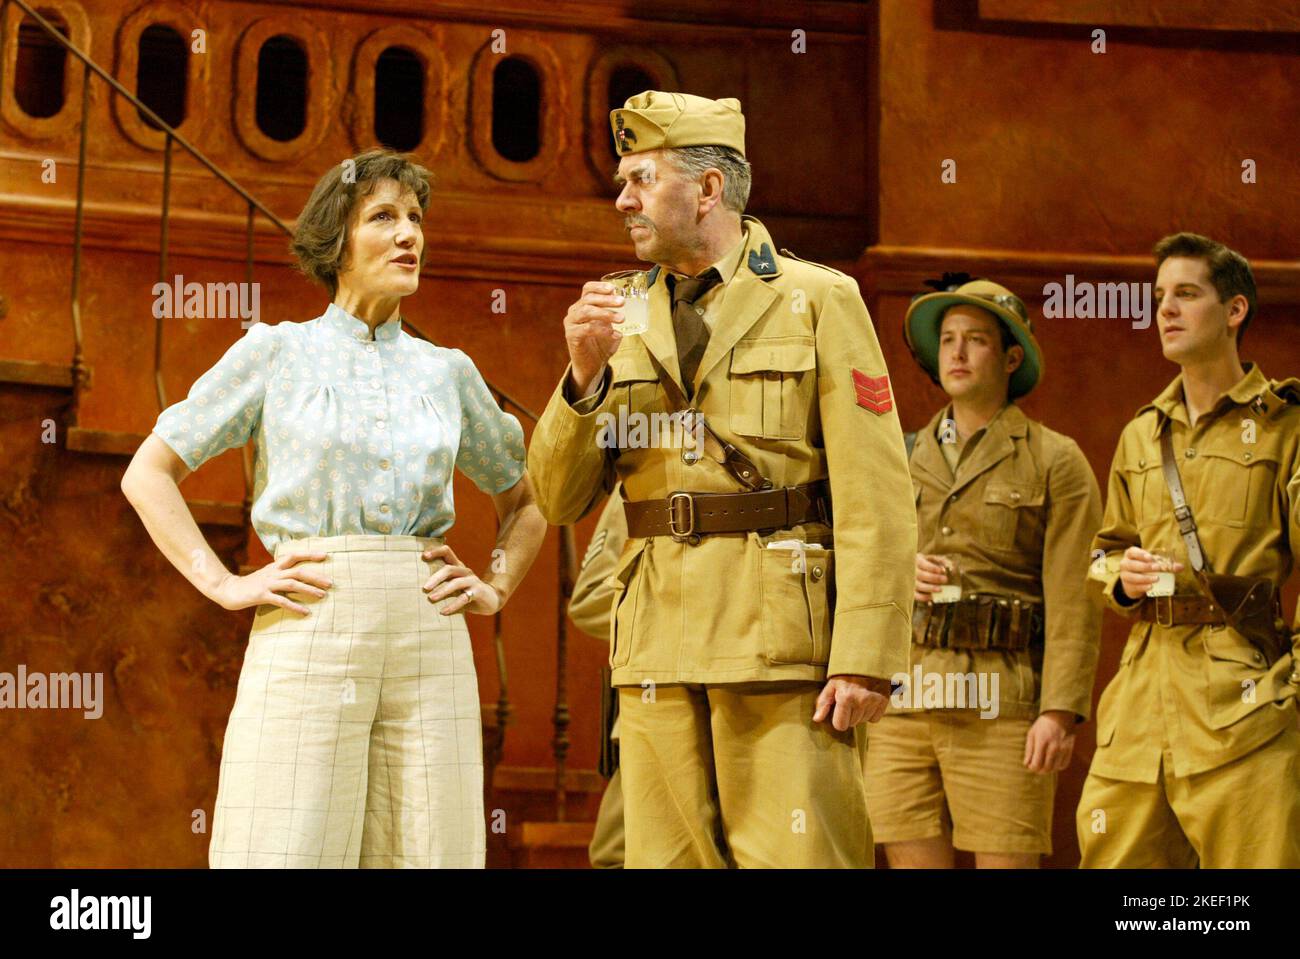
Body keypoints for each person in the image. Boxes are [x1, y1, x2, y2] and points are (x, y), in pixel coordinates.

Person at [120, 148, 547, 868]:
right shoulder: (277, 354)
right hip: (311, 619)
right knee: (288, 843)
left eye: (416, 218)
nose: (410, 233)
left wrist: (495, 583)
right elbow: (148, 472)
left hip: (428, 628)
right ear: (336, 243)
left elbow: (527, 501)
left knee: (429, 846)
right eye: (384, 217)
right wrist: (225, 583)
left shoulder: (448, 371)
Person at [527, 91, 916, 868]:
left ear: (707, 189)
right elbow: (559, 496)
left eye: (640, 178)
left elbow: (877, 493)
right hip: (655, 649)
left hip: (777, 645)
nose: (622, 199)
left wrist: (867, 652)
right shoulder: (619, 314)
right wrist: (582, 377)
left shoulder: (816, 299)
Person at [1077, 232, 1300, 868]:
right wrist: (1124, 576)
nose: (1165, 311)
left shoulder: (1287, 427)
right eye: (1158, 297)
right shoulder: (1142, 434)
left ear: (1235, 310)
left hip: (1247, 705)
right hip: (1139, 709)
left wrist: (1293, 689)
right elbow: (1101, 557)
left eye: (1186, 294)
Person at [866, 277, 1103, 868]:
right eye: (947, 340)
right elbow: (856, 558)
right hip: (904, 699)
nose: (957, 353)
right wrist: (897, 570)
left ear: (1011, 357)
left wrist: (1060, 711)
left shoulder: (1055, 460)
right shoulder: (899, 454)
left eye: (975, 340)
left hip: (1001, 703)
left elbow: (1077, 596)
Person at [566, 488, 629, 868]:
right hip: (664, 699)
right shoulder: (654, 463)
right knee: (620, 855)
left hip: (781, 698)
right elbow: (590, 597)